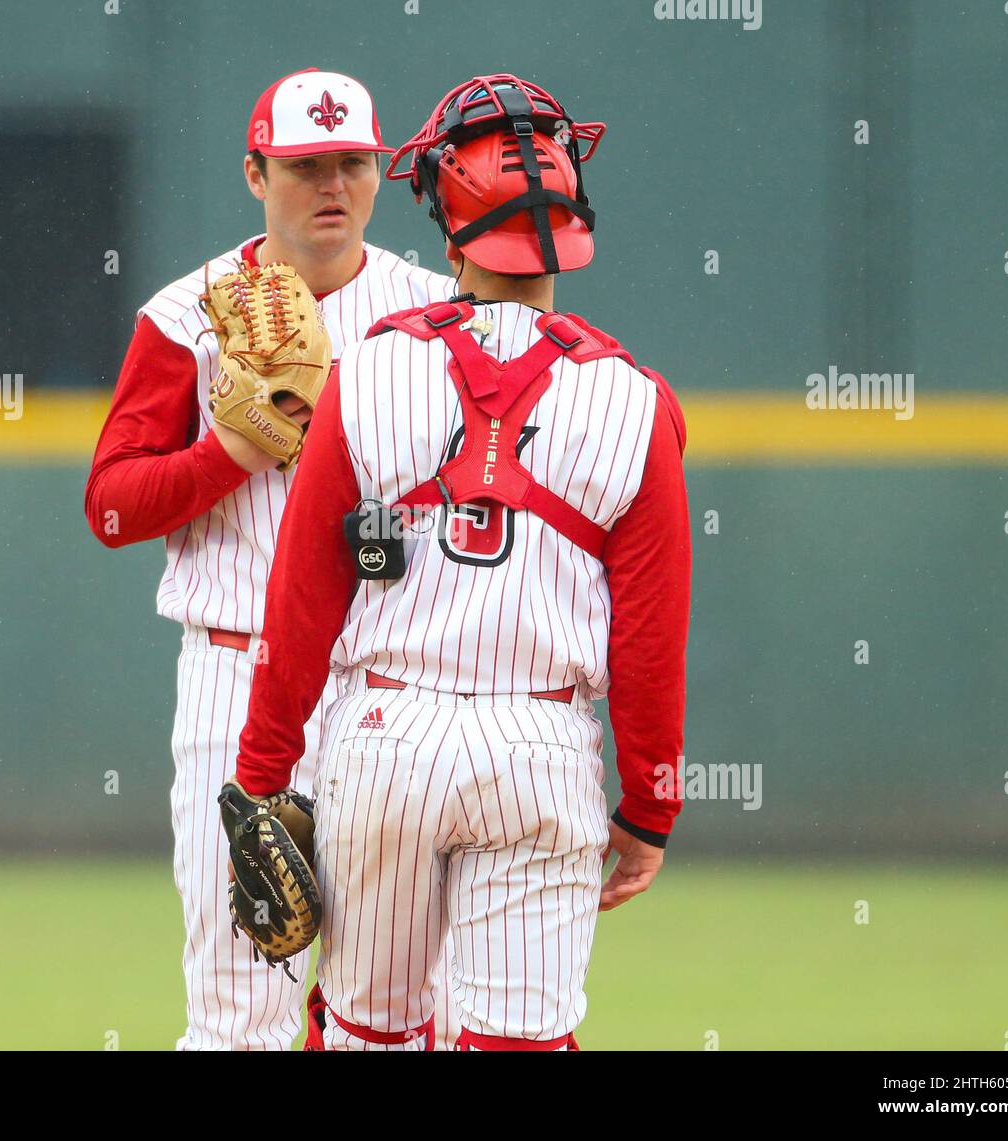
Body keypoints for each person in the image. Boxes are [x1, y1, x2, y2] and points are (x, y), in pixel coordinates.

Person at [229, 73, 692, 1050]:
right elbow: (652, 634)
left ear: (445, 223)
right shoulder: (637, 402)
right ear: (571, 225)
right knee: (520, 1042)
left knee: (365, 1035)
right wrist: (647, 805)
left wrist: (262, 773)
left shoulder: (365, 371)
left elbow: (301, 597)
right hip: (540, 748)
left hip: (384, 738)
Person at [85, 67, 456, 1050]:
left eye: (353, 164)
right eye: (304, 167)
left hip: (392, 681)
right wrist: (231, 452)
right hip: (236, 670)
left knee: (396, 1012)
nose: (332, 185)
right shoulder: (186, 314)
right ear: (255, 172)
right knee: (238, 1012)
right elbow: (112, 510)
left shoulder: (435, 313)